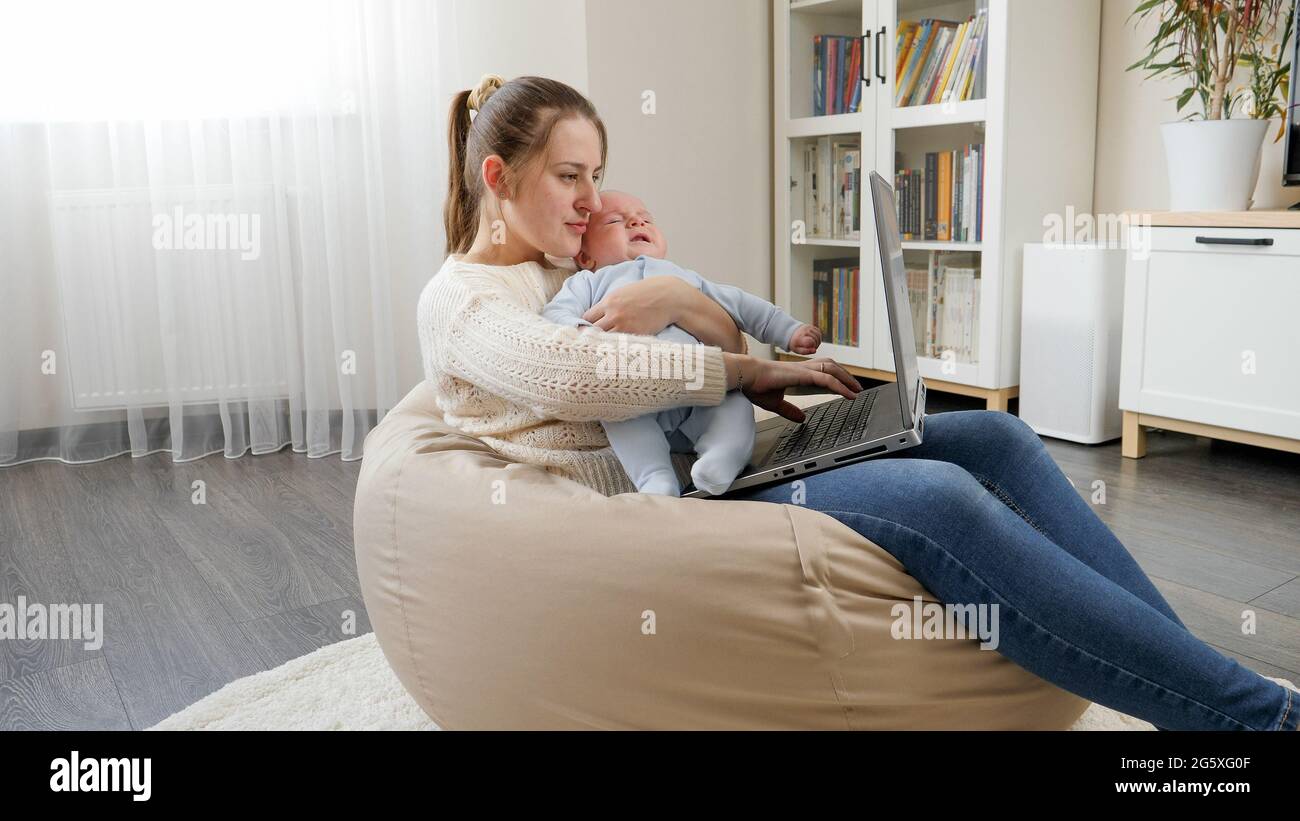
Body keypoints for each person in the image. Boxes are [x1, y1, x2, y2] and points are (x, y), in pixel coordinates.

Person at [417, 72, 1299, 731]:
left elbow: (713, 332)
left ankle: (1193, 679)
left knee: (992, 433)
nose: (594, 200)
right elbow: (581, 377)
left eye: (596, 175)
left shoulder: (567, 262)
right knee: (940, 499)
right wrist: (748, 370)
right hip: (677, 499)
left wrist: (687, 307)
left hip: (725, 456)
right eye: (570, 177)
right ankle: (1256, 718)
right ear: (498, 176)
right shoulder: (463, 300)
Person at [541, 189, 822, 496]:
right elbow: (556, 314)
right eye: (616, 221)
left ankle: (721, 461)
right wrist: (585, 333)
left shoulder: (685, 278)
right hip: (635, 393)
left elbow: (742, 306)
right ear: (585, 257)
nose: (637, 223)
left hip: (705, 387)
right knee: (617, 415)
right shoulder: (589, 282)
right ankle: (655, 479)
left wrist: (788, 330)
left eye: (645, 218)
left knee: (736, 408)